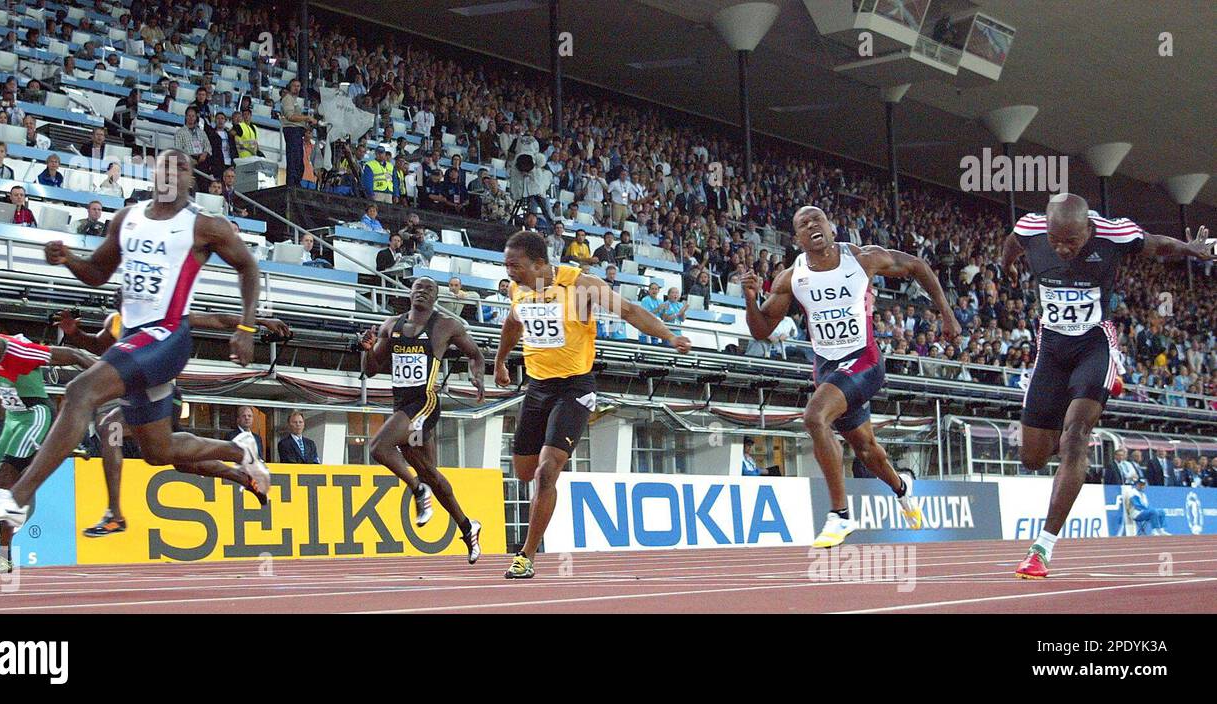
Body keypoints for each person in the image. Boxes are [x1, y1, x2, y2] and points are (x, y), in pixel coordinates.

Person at [0, 150, 271, 528]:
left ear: (191, 180)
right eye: (165, 164)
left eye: (182, 166)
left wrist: (247, 327)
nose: (172, 171)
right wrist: (68, 258)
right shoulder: (128, 219)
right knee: (159, 450)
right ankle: (242, 451)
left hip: (169, 335)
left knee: (79, 392)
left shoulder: (205, 225)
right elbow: (97, 273)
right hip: (137, 339)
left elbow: (248, 267)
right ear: (153, 174)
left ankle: (16, 499)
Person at [1002, 193, 1215, 578]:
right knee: (1032, 458)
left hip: (1094, 344)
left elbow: (1157, 245)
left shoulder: (1116, 233)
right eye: (1056, 241)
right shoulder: (1031, 227)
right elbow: (1012, 243)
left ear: (1089, 228)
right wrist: (1008, 268)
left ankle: (1041, 548)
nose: (1063, 249)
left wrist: (1190, 249)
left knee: (1075, 435)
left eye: (1072, 241)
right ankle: (1072, 426)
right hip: (1049, 347)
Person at [743, 206, 959, 548]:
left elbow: (917, 266)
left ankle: (839, 516)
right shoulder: (791, 277)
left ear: (830, 227)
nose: (812, 225)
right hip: (828, 368)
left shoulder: (861, 259)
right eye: (803, 224)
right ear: (797, 238)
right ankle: (903, 490)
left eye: (817, 219)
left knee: (814, 417)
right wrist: (750, 298)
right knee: (867, 450)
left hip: (864, 360)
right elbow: (761, 330)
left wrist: (946, 314)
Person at [495, 230, 691, 578]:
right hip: (537, 388)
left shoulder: (581, 284)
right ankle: (546, 491)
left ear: (541, 264)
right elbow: (512, 324)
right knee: (524, 472)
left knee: (545, 472)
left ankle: (526, 556)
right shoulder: (517, 290)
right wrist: (500, 362)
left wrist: (670, 336)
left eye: (516, 266)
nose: (510, 272)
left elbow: (629, 311)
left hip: (574, 386)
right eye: (507, 265)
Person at [54, 304, 288, 536]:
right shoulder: (115, 322)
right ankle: (241, 473)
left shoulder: (161, 314)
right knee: (178, 460)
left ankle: (115, 513)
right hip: (137, 398)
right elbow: (97, 345)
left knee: (110, 427)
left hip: (162, 394)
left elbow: (216, 319)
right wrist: (74, 333)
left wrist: (258, 321)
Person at [362, 277, 485, 564]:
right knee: (430, 473)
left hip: (425, 403)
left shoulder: (446, 326)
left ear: (436, 297)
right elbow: (371, 370)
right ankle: (468, 528)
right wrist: (366, 350)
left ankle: (417, 491)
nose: (422, 292)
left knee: (378, 447)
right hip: (402, 405)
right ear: (410, 293)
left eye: (429, 289)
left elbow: (476, 355)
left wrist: (476, 376)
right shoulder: (390, 326)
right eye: (418, 288)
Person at [0, 317, 95, 573]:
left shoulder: (20, 350)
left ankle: (57, 444)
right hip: (13, 420)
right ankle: (4, 557)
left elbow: (73, 354)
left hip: (36, 414)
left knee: (6, 480)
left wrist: (111, 379)